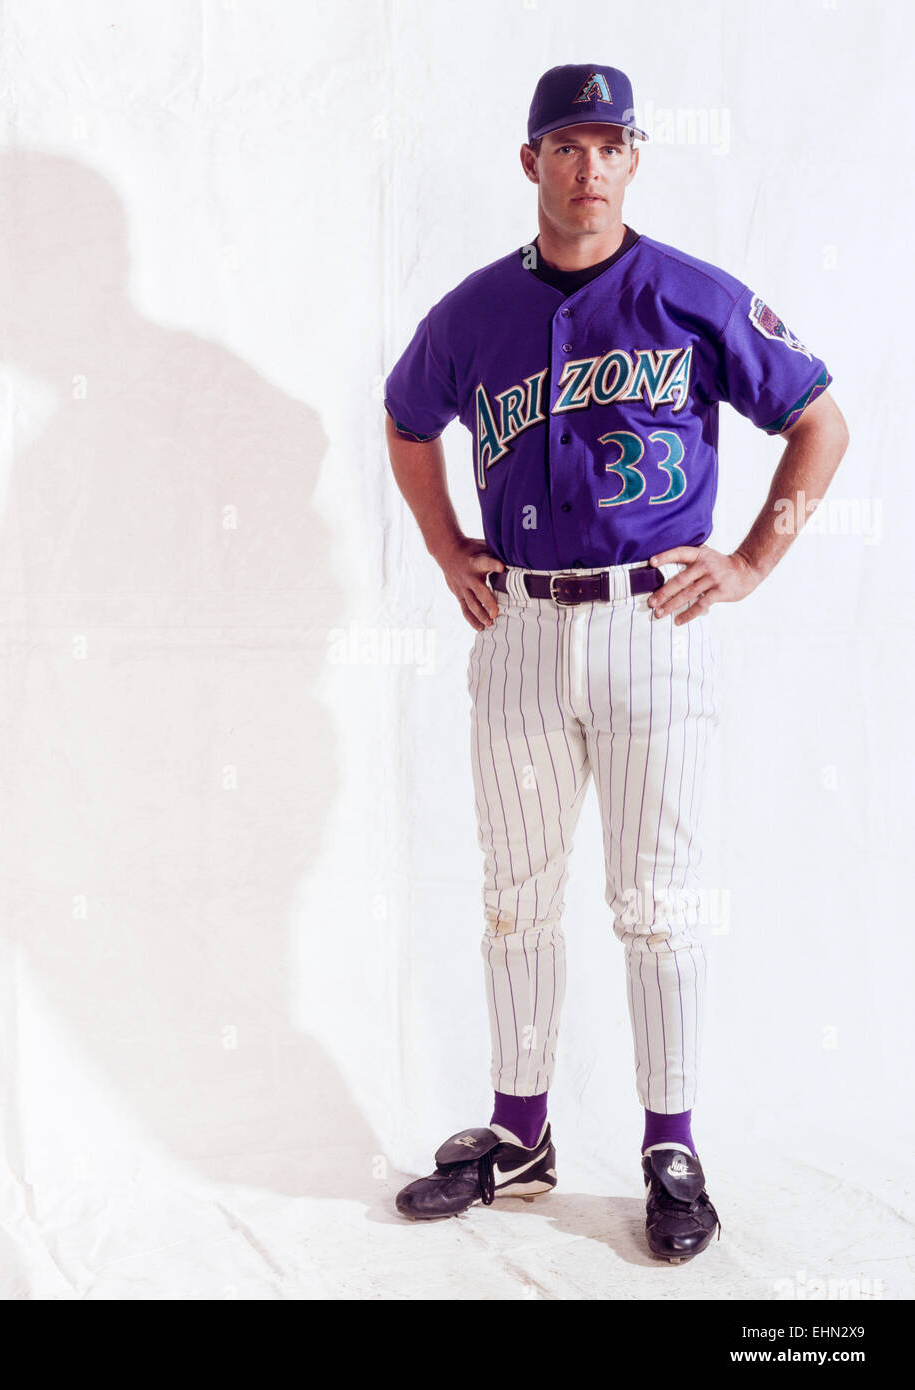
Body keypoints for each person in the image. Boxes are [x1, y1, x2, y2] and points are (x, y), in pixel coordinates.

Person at [382, 62, 848, 1262]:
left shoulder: (693, 295)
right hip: (521, 626)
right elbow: (405, 417)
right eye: (566, 145)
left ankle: (670, 1145)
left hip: (654, 624)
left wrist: (747, 562)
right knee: (515, 898)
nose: (589, 168)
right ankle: (520, 1137)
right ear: (530, 162)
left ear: (637, 157)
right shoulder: (473, 311)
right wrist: (444, 548)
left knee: (658, 904)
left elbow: (819, 421)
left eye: (610, 143)